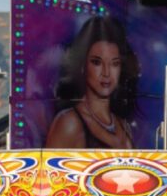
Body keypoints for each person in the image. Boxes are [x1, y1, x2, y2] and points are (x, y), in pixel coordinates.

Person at [42, 14, 141, 151]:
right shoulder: (69, 123)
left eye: (114, 63)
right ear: (83, 65)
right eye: (97, 62)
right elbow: (52, 165)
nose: (106, 73)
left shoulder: (123, 125)